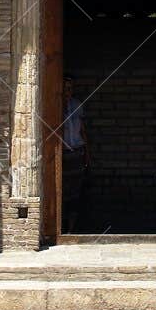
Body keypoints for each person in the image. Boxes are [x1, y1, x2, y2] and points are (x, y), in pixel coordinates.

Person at [60, 77, 89, 234]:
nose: (67, 92)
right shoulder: (55, 106)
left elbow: (83, 132)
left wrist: (87, 155)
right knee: (62, 192)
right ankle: (61, 229)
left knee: (75, 192)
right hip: (61, 155)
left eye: (70, 88)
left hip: (76, 153)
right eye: (64, 88)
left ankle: (71, 230)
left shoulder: (77, 106)